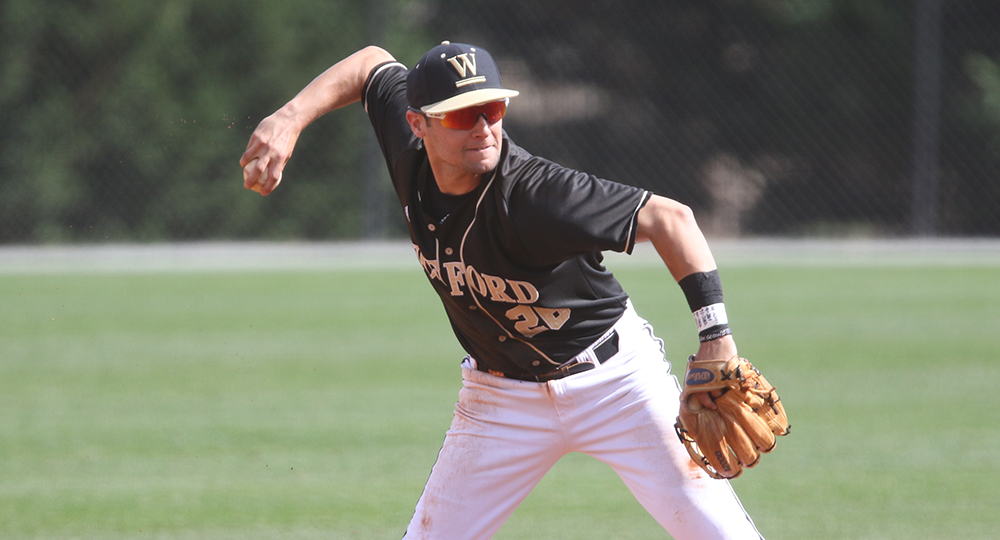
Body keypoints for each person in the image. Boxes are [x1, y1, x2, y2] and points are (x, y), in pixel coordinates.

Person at [242, 41, 765, 539]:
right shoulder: (407, 152)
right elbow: (369, 65)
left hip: (615, 386)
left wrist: (715, 336)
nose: (482, 128)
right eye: (461, 115)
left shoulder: (538, 194)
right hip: (499, 401)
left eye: (492, 109)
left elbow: (672, 220)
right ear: (417, 123)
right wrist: (289, 118)